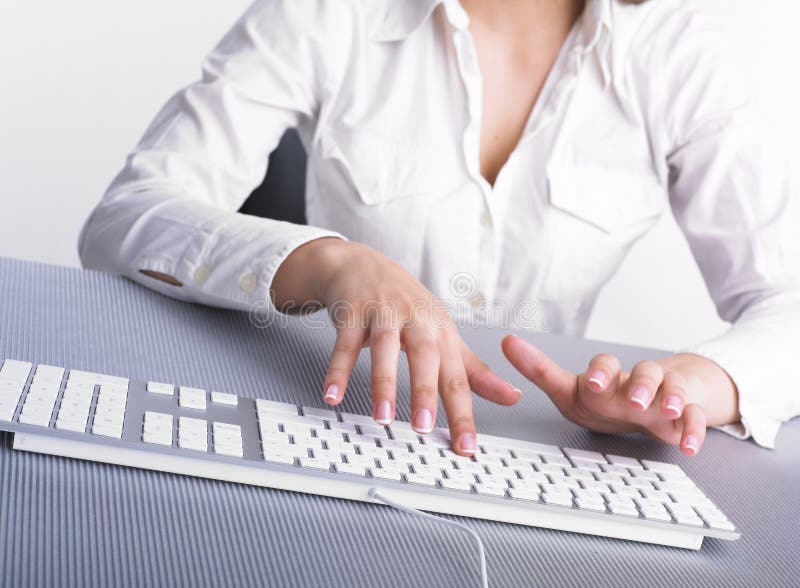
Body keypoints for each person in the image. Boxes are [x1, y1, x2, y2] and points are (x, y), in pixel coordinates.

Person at [79, 0, 800, 458]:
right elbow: (126, 215)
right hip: (345, 432)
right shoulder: (329, 13)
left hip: (553, 457)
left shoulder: (676, 54)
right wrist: (330, 262)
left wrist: (690, 385)